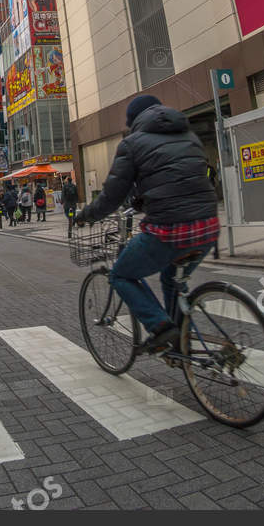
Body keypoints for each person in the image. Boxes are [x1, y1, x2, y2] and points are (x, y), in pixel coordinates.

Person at [75, 95, 220, 353]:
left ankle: (162, 328)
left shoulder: (131, 144)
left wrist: (86, 215)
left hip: (169, 231)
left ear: (133, 121)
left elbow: (111, 196)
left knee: (121, 274)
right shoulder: (190, 135)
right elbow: (180, 179)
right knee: (172, 279)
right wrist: (145, 200)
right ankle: (180, 345)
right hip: (209, 227)